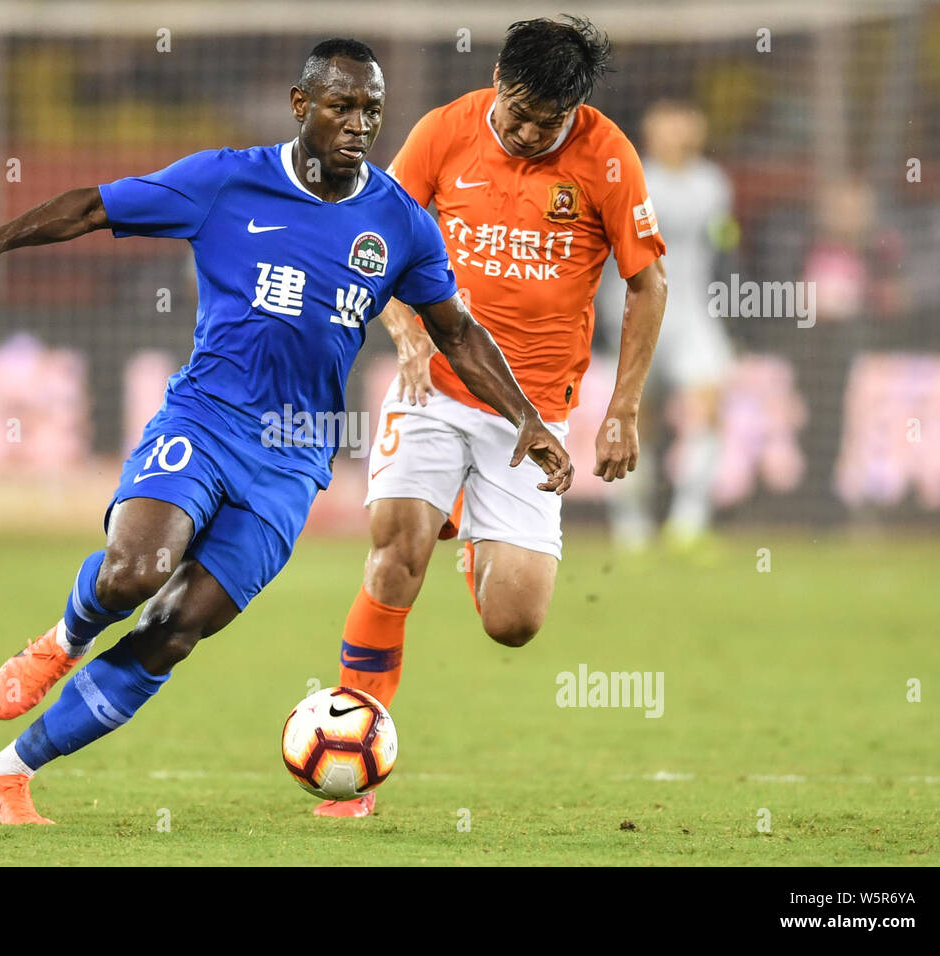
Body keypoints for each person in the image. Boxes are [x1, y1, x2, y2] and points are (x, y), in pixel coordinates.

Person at [0, 38, 572, 825]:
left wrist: (527, 417)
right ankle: (63, 638)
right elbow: (91, 206)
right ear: (300, 105)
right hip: (206, 419)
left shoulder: (399, 223)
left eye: (372, 110)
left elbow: (455, 331)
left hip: (291, 463)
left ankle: (8, 773)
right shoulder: (224, 180)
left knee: (177, 629)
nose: (359, 124)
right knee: (136, 572)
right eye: (342, 106)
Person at [319, 17, 666, 818]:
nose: (527, 131)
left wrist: (623, 411)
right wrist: (402, 323)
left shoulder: (609, 157)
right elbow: (374, 238)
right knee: (396, 549)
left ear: (575, 109)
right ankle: (354, 758)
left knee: (514, 623)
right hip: (435, 386)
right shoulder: (444, 130)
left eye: (548, 122)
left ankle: (478, 544)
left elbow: (649, 284)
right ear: (499, 79)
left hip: (533, 414)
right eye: (516, 112)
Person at [597, 100, 737, 551]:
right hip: (634, 310)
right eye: (670, 124)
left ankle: (688, 523)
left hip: (692, 311)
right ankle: (631, 525)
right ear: (651, 131)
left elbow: (722, 246)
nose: (680, 132)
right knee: (637, 421)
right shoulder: (632, 178)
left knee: (710, 405)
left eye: (686, 122)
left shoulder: (714, 185)